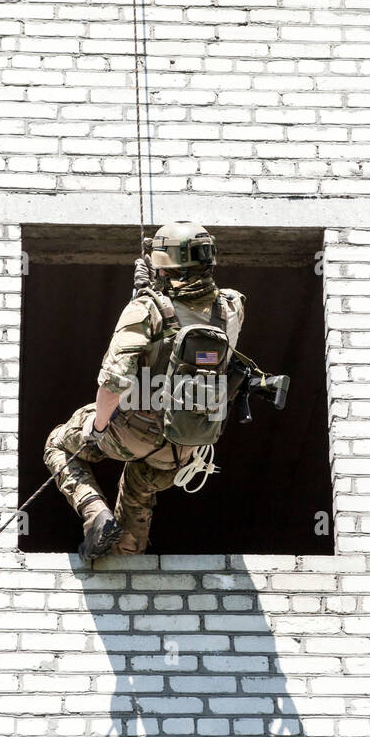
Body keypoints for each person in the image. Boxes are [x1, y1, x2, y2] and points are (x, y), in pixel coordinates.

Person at [43, 221, 246, 560]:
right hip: (185, 445)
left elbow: (113, 382)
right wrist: (155, 290)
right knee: (139, 485)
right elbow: (192, 340)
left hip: (134, 433)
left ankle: (95, 514)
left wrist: (99, 428)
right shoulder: (232, 308)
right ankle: (125, 556)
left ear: (163, 265)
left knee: (59, 442)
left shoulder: (146, 311)